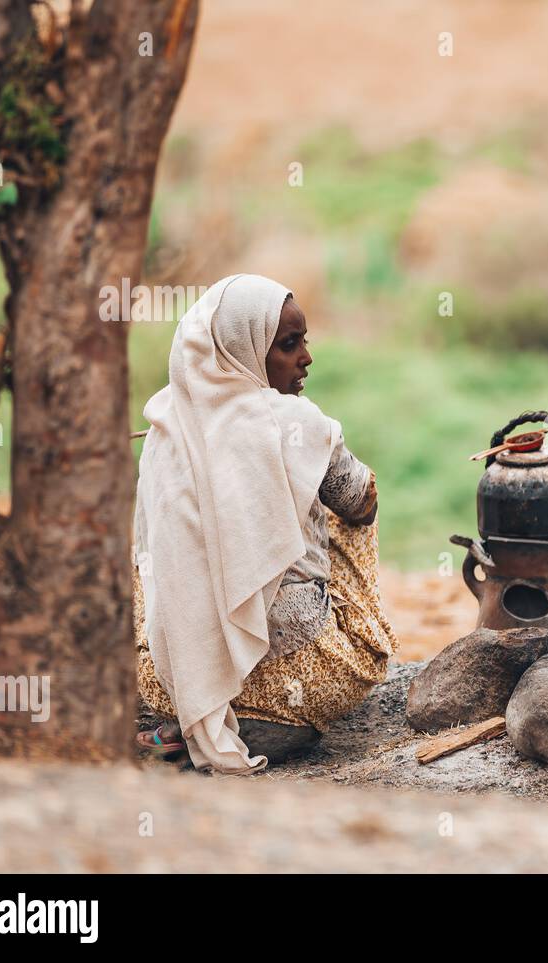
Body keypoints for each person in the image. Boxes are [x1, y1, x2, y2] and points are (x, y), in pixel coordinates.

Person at [132, 274, 397, 773]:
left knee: (152, 561)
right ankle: (265, 717)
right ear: (244, 351)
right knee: (342, 513)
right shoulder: (301, 425)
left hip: (173, 672)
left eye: (304, 341)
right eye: (289, 345)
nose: (307, 358)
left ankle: (199, 716)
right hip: (312, 672)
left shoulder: (167, 423)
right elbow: (362, 503)